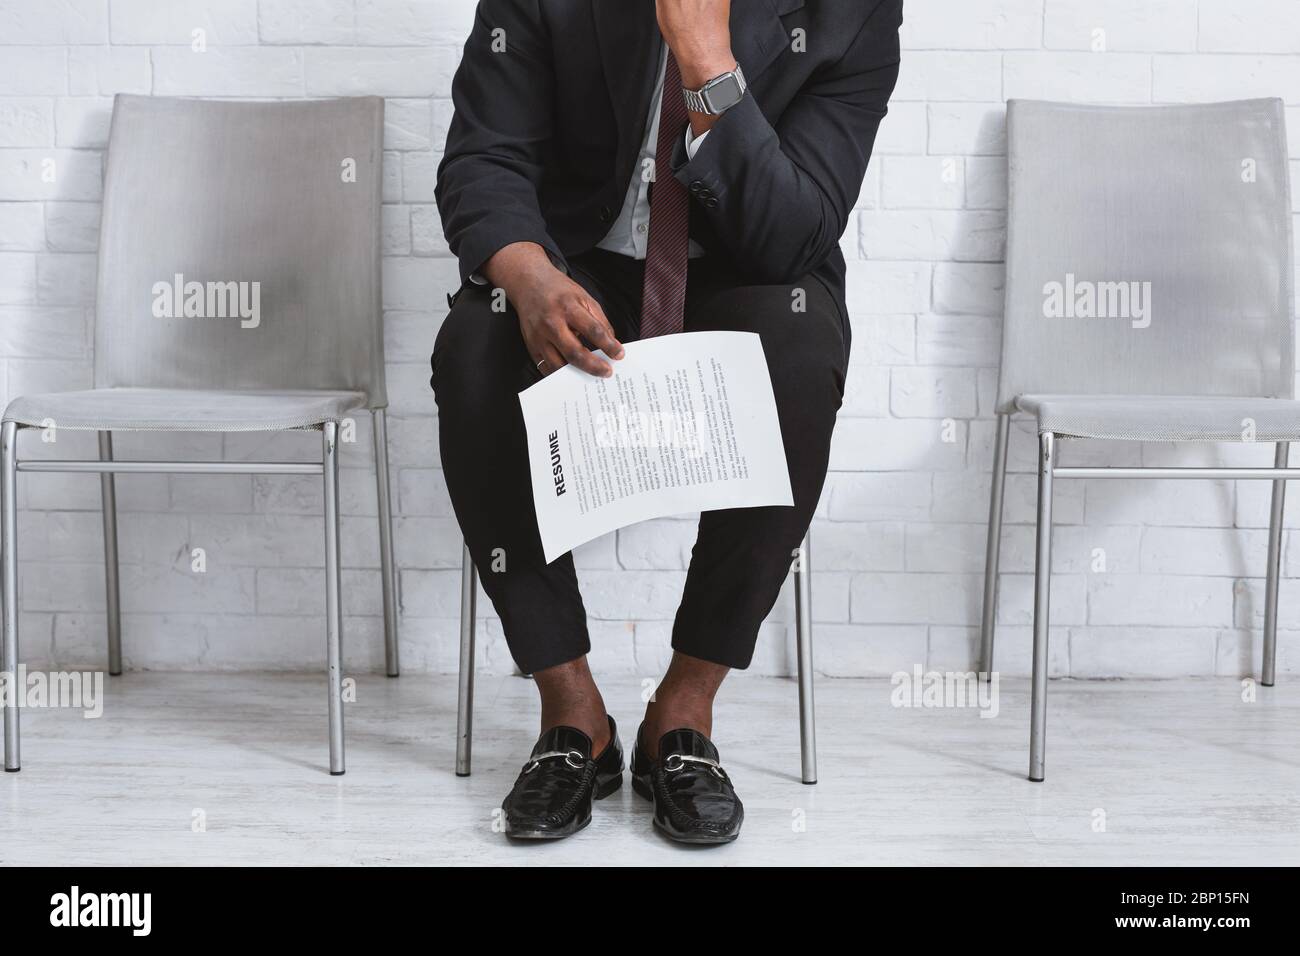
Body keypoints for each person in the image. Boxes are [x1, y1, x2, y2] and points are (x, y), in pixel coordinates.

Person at [431, 0, 902, 843]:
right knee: (474, 342)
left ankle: (682, 715)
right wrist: (529, 276)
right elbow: (483, 159)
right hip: (577, 261)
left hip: (746, 270)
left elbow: (793, 234)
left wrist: (706, 63)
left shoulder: (851, 11)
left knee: (799, 345)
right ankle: (573, 718)